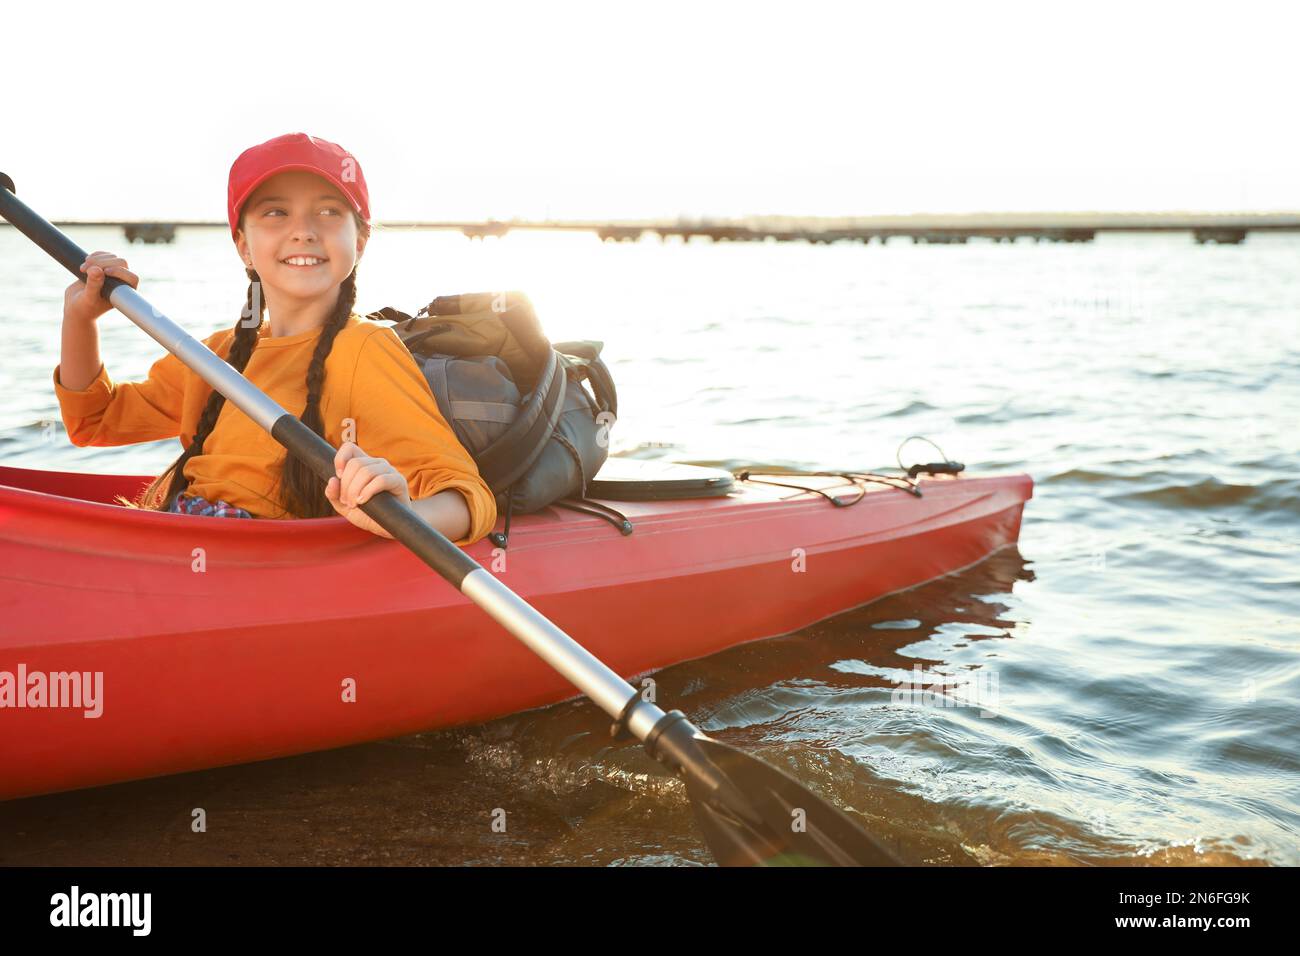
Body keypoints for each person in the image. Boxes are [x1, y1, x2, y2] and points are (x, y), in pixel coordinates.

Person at [52, 132, 497, 547]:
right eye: (275, 212)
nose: (302, 230)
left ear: (359, 241)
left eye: (328, 211)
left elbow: (467, 498)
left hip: (249, 562)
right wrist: (80, 318)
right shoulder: (217, 355)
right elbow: (94, 421)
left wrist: (404, 513)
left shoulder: (364, 349)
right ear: (243, 245)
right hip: (181, 536)